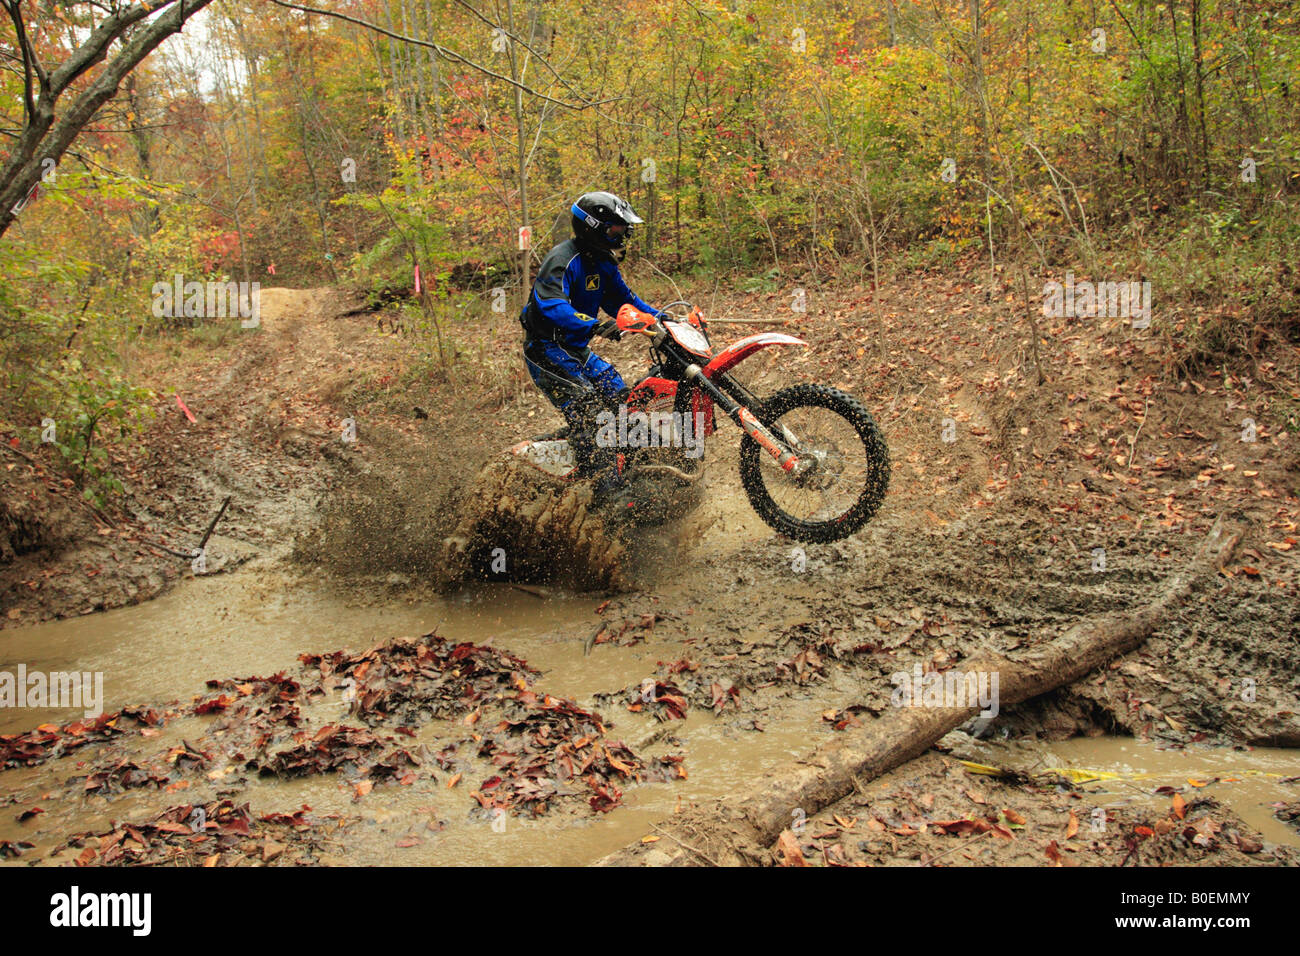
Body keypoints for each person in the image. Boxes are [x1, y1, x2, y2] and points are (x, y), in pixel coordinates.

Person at [519, 191, 661, 499]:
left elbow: (626, 301)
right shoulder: (561, 259)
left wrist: (665, 319)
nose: (623, 233)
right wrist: (594, 325)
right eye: (615, 228)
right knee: (591, 413)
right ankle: (605, 494)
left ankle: (641, 468)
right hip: (546, 350)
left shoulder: (603, 262)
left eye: (623, 228)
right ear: (593, 227)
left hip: (577, 351)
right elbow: (551, 304)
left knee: (624, 400)